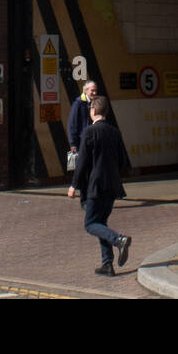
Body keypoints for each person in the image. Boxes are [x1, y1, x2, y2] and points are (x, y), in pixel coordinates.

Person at [68, 95, 132, 276]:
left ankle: (118, 240)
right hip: (112, 187)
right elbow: (122, 161)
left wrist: (74, 186)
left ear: (93, 111)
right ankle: (107, 264)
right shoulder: (115, 132)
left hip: (94, 186)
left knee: (90, 224)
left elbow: (82, 163)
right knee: (100, 222)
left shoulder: (89, 132)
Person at [67, 79, 98, 158]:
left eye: (96, 91)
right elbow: (72, 124)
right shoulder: (78, 103)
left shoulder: (97, 102)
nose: (95, 93)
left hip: (93, 140)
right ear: (85, 91)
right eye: (92, 90)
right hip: (82, 142)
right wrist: (73, 143)